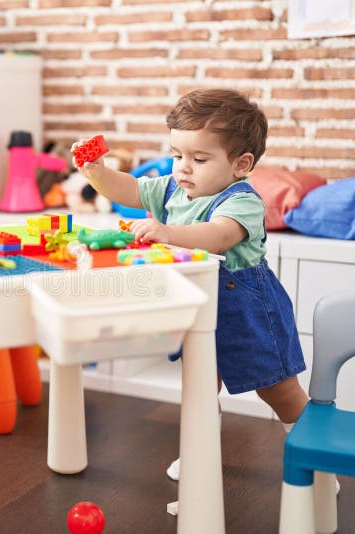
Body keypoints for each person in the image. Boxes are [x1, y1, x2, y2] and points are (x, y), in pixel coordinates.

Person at [74, 88, 310, 482]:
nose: (183, 168)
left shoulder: (242, 200)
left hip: (247, 308)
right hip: (198, 303)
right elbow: (129, 189)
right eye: (177, 155)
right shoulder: (173, 188)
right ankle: (199, 453)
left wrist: (168, 232)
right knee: (199, 386)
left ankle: (316, 463)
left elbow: (218, 236)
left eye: (199, 159)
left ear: (241, 164)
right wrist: (97, 173)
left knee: (279, 391)